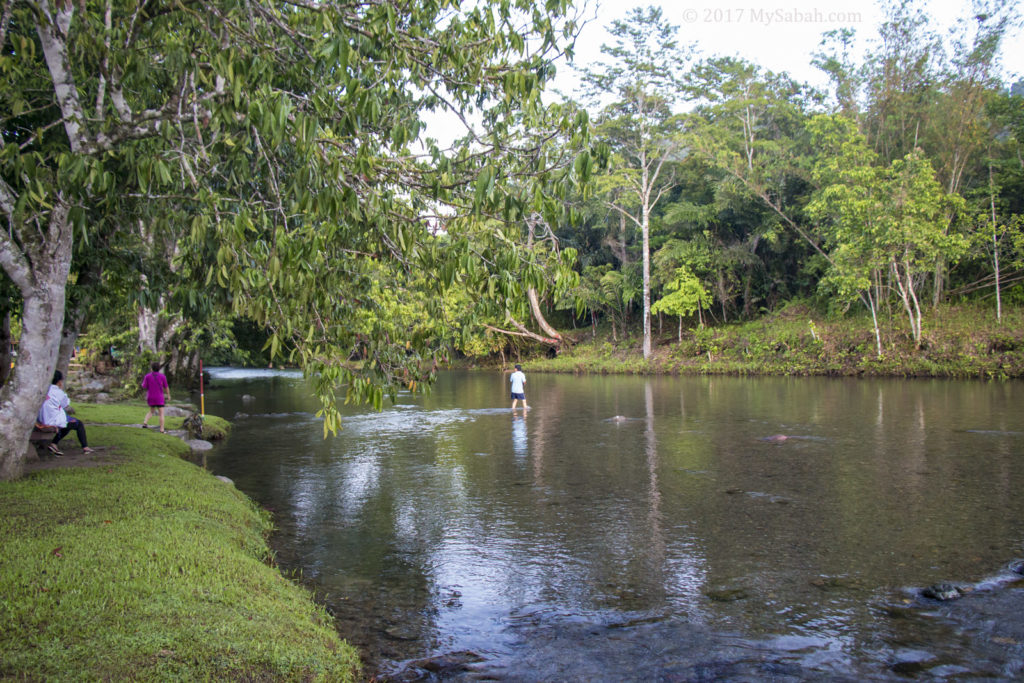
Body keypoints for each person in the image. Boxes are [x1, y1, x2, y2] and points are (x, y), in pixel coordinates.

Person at [37, 370, 93, 455]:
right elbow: (65, 404)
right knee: (78, 424)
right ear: (59, 381)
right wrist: (61, 390)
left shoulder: (43, 389)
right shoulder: (58, 392)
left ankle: (54, 444)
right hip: (51, 421)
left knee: (67, 422)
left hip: (41, 419)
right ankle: (85, 447)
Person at [141, 361, 171, 433]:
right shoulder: (162, 376)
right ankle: (162, 429)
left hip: (151, 396)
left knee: (152, 411)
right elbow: (166, 387)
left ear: (152, 368)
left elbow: (144, 386)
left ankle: (145, 422)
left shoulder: (147, 376)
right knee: (161, 413)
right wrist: (168, 395)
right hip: (159, 397)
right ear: (159, 368)